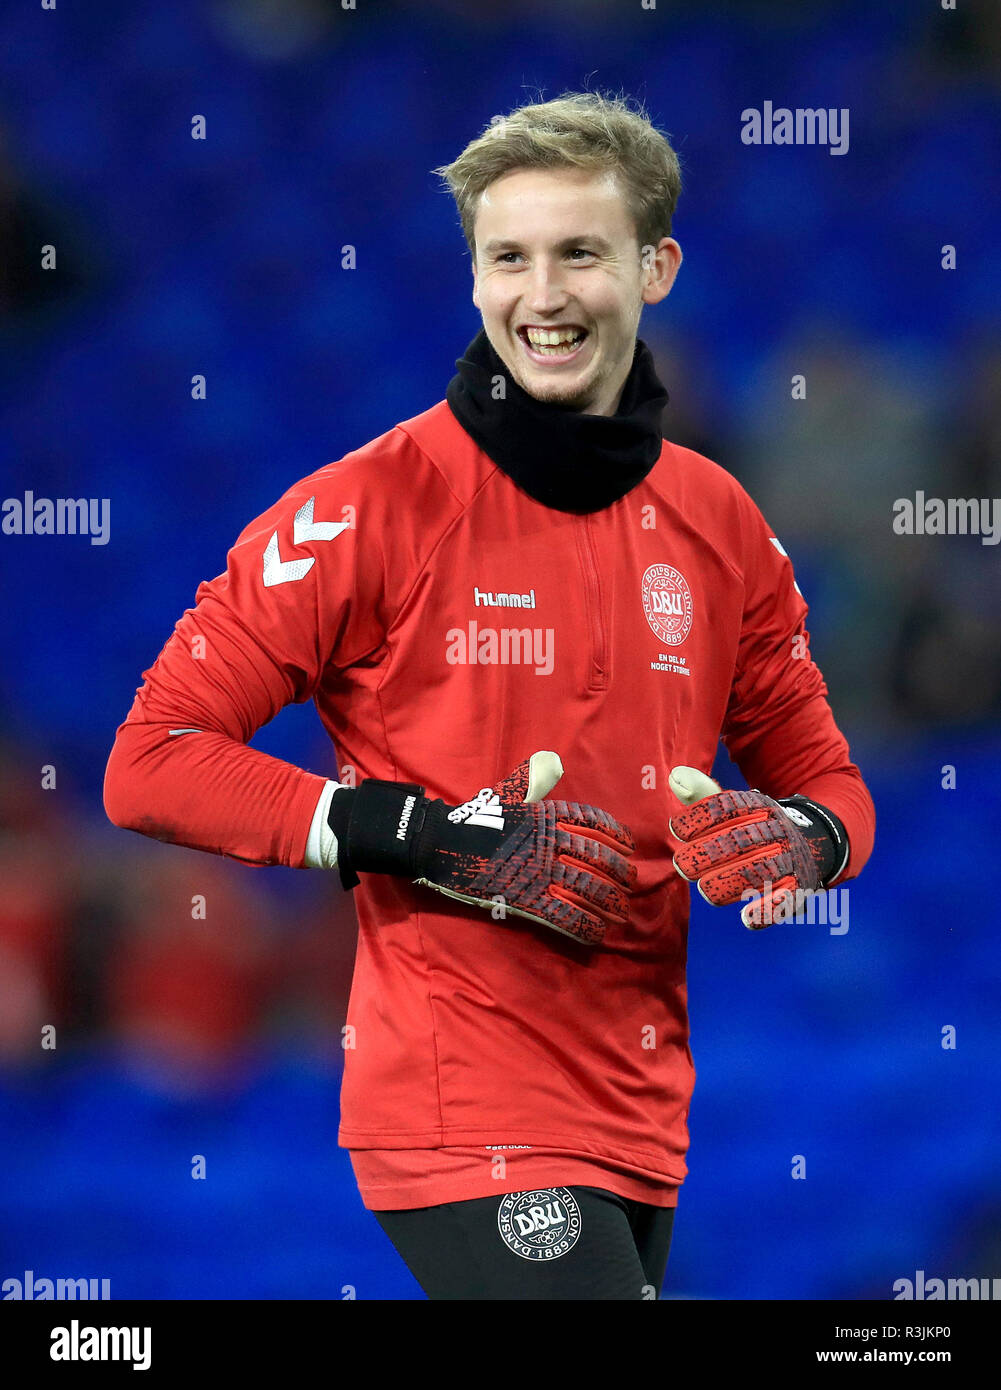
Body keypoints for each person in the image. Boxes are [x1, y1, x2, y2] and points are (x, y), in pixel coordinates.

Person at [104, 91, 875, 1300]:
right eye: (506, 258)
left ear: (655, 266)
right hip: (457, 1098)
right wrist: (417, 831)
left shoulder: (720, 522)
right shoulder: (368, 505)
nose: (542, 294)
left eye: (579, 252)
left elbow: (825, 781)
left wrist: (800, 840)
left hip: (640, 1103)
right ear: (471, 280)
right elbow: (149, 760)